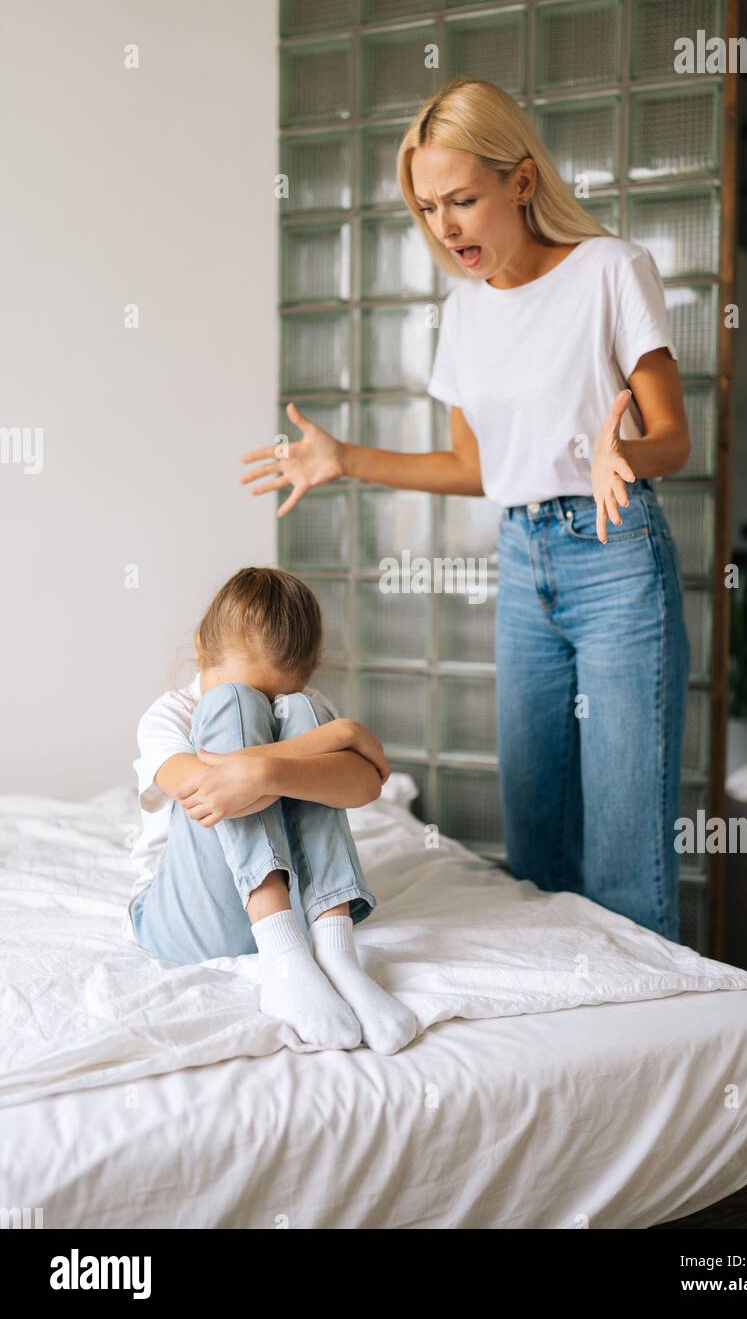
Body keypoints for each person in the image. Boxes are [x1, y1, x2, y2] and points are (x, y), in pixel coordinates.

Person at [239, 77, 691, 943]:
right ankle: (554, 1031)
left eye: (462, 199)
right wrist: (345, 459)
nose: (445, 227)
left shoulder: (611, 270)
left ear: (521, 182)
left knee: (626, 843)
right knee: (534, 841)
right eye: (427, 207)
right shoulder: (464, 310)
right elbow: (472, 466)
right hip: (523, 559)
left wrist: (621, 453)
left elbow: (672, 436)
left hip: (614, 549)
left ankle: (647, 1029)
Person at [124, 565, 418, 1054]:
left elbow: (366, 787)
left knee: (304, 714)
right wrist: (339, 738)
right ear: (201, 649)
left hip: (304, 910)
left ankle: (335, 952)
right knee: (231, 708)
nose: (264, 708)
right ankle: (281, 954)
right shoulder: (168, 715)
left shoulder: (304, 704)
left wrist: (272, 770)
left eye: (275, 695)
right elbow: (209, 793)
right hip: (188, 920)